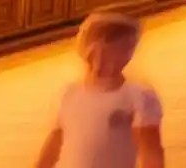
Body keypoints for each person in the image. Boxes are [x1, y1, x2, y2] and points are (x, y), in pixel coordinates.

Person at [34, 13, 165, 168]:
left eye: (112, 54)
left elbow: (150, 152)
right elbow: (53, 147)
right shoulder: (69, 95)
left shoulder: (138, 97)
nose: (100, 62)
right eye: (96, 53)